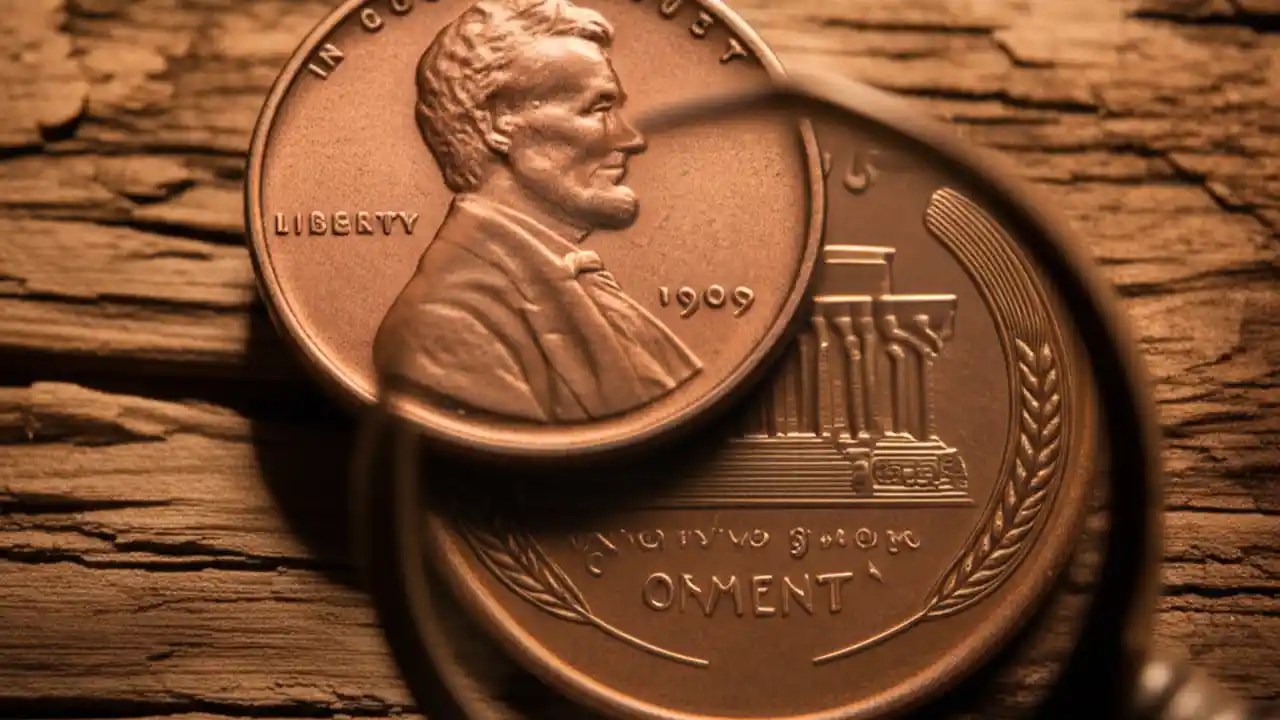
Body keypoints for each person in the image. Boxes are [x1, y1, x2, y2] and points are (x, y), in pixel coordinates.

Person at [373, 0, 702, 424]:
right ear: (496, 124)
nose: (630, 138)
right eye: (598, 109)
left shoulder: (572, 283)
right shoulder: (447, 326)